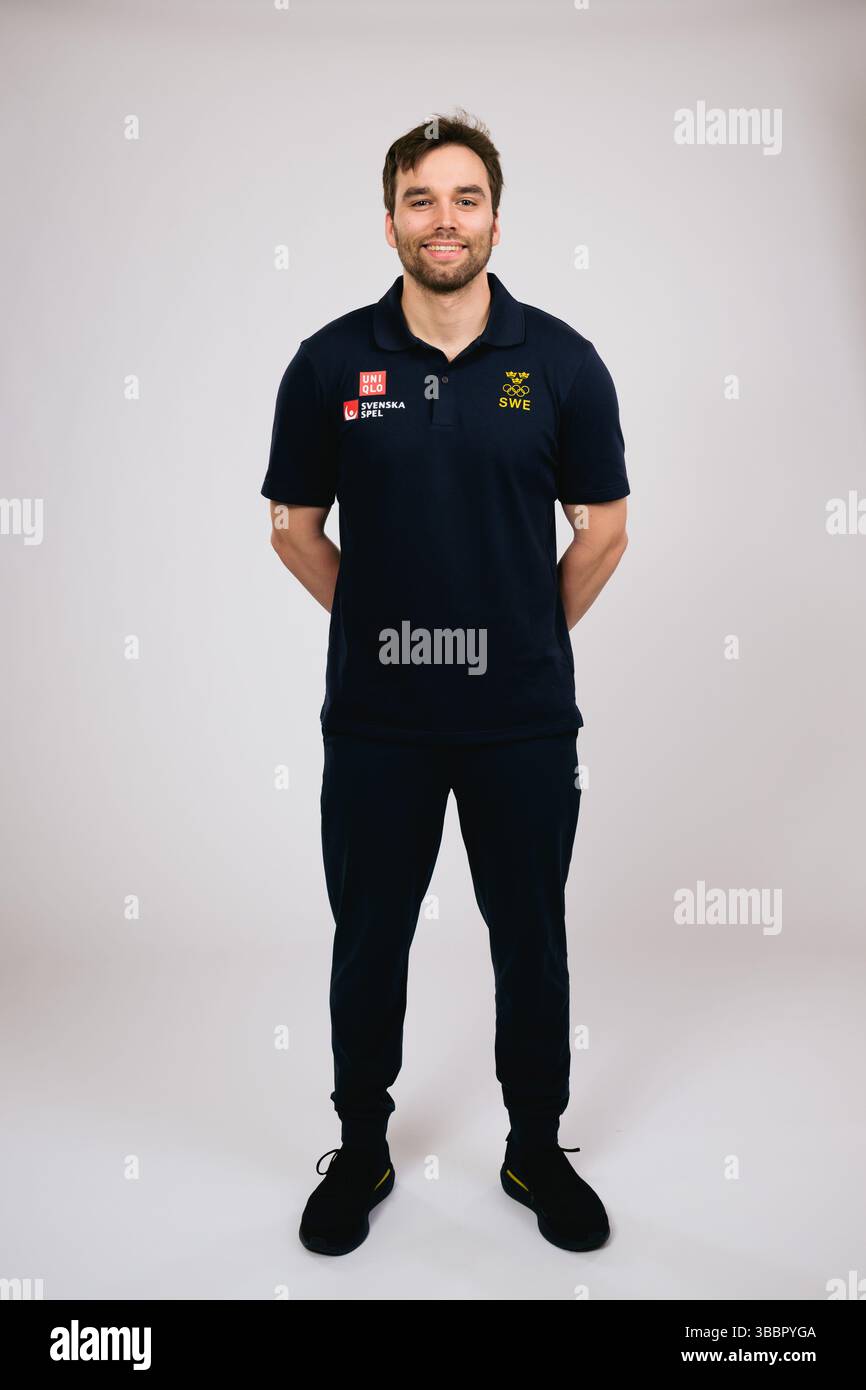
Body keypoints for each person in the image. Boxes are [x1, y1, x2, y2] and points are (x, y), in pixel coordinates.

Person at [261, 109, 630, 1257]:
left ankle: (532, 1145)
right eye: (420, 199)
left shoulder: (561, 362)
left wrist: (513, 635)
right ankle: (361, 1146)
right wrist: (386, 630)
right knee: (368, 937)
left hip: (518, 718)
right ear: (389, 222)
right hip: (378, 720)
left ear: (494, 219)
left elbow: (604, 529)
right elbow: (293, 526)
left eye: (463, 198)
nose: (443, 219)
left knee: (530, 935)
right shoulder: (330, 362)